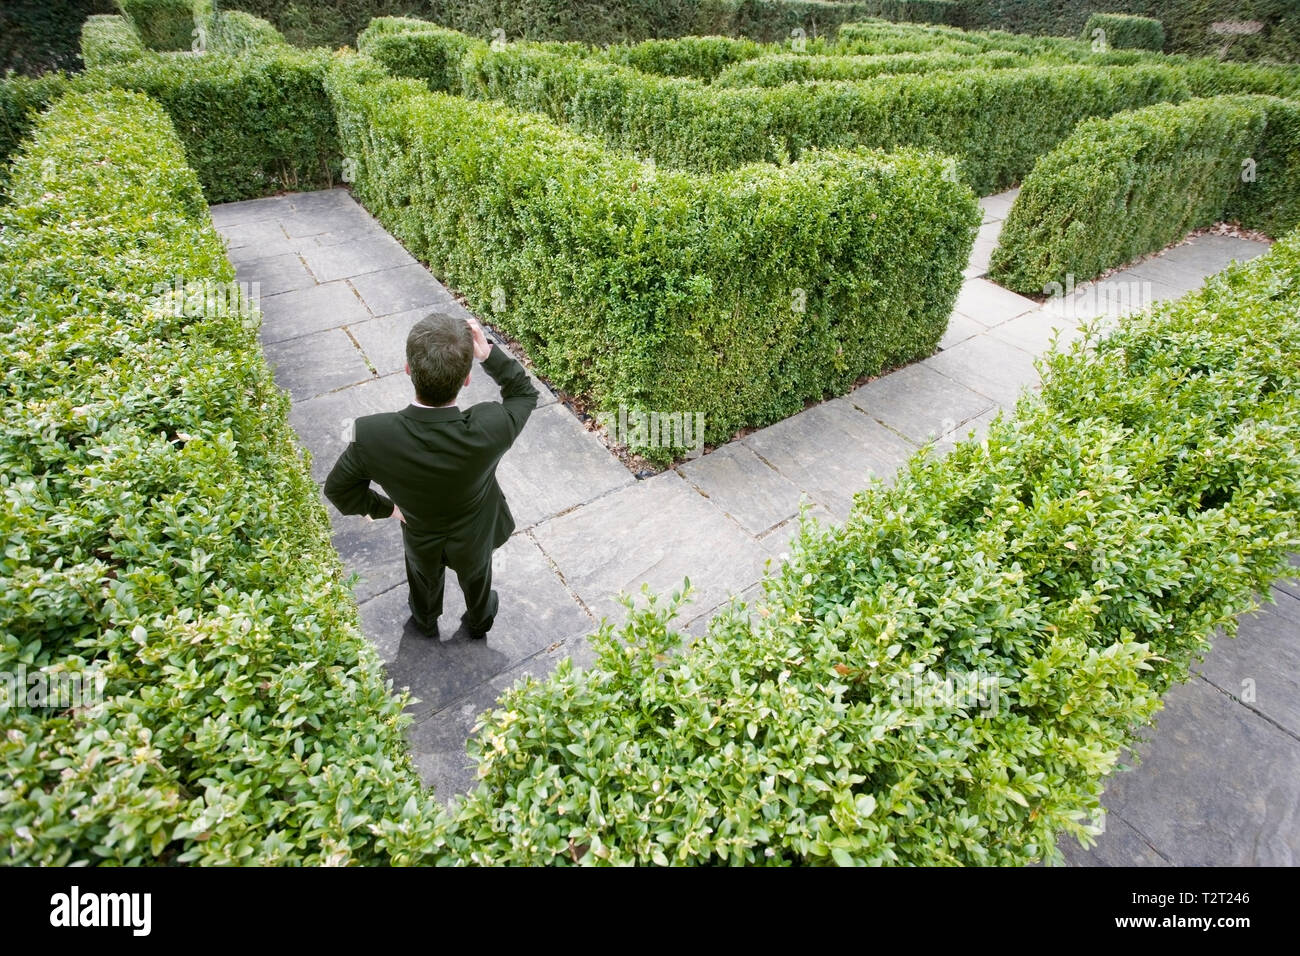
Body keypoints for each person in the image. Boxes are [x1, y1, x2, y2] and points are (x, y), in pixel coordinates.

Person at [324, 313, 538, 639]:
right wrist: (488, 355)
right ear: (466, 379)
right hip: (474, 535)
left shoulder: (374, 435)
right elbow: (523, 393)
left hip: (420, 535)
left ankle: (425, 621)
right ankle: (480, 621)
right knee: (478, 579)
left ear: (408, 370)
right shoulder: (490, 426)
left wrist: (389, 509)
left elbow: (338, 490)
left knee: (423, 580)